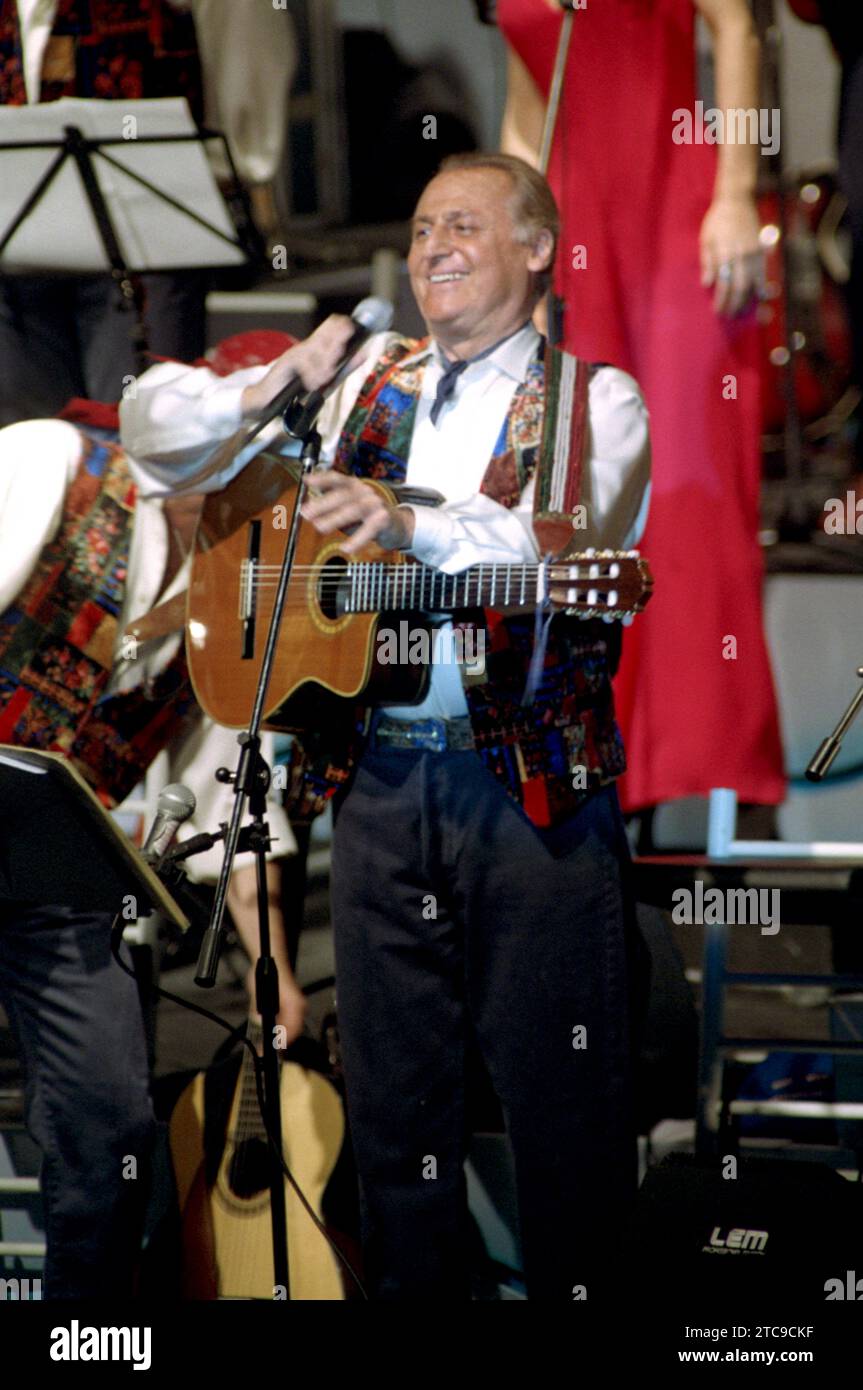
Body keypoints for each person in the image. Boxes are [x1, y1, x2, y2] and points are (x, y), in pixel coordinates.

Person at [121, 152, 652, 1302]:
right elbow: (150, 433)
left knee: (565, 1119)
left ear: (537, 251)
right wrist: (270, 387)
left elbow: (554, 540)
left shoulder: (595, 401)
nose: (431, 248)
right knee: (393, 1127)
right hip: (373, 788)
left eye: (462, 224)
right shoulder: (362, 379)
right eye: (417, 229)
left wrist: (407, 526)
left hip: (528, 798)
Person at [0, 406, 316, 1297]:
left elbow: (233, 810)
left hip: (59, 876)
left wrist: (274, 976)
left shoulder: (223, 626)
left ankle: (84, 1332)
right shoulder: (57, 464)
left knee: (108, 1126)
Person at [497, 0, 786, 818]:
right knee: (578, 498)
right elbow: (525, 109)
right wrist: (515, 256)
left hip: (676, 211)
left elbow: (735, 28)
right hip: (568, 231)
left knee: (693, 500)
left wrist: (736, 191)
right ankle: (602, 770)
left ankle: (715, 771)